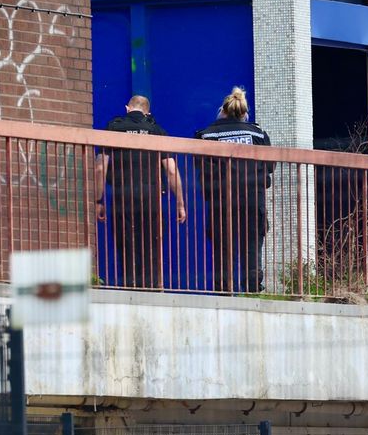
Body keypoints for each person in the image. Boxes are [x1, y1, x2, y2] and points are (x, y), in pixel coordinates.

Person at [94, 95, 186, 289]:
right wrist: (180, 203)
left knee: (126, 245)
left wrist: (98, 200)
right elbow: (171, 169)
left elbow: (100, 167)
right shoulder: (157, 131)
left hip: (122, 197)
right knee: (151, 245)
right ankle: (151, 288)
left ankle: (130, 287)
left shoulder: (114, 128)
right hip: (151, 198)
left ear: (127, 108)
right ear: (148, 112)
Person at [195, 86, 272, 293]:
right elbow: (270, 166)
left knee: (223, 247)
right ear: (244, 112)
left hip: (221, 201)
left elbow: (202, 167)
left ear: (223, 110)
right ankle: (253, 290)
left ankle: (224, 290)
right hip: (252, 200)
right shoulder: (257, 133)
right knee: (252, 245)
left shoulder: (207, 135)